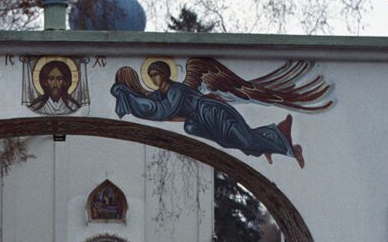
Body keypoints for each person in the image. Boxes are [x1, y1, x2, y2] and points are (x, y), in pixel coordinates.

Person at [111, 59, 306, 167]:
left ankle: (284, 142)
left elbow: (162, 112)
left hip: (213, 112)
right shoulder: (159, 95)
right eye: (151, 76)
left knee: (245, 139)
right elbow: (148, 104)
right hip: (201, 121)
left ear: (165, 74)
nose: (154, 79)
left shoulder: (175, 91)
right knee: (230, 142)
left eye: (157, 74)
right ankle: (271, 140)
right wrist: (125, 92)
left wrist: (131, 100)